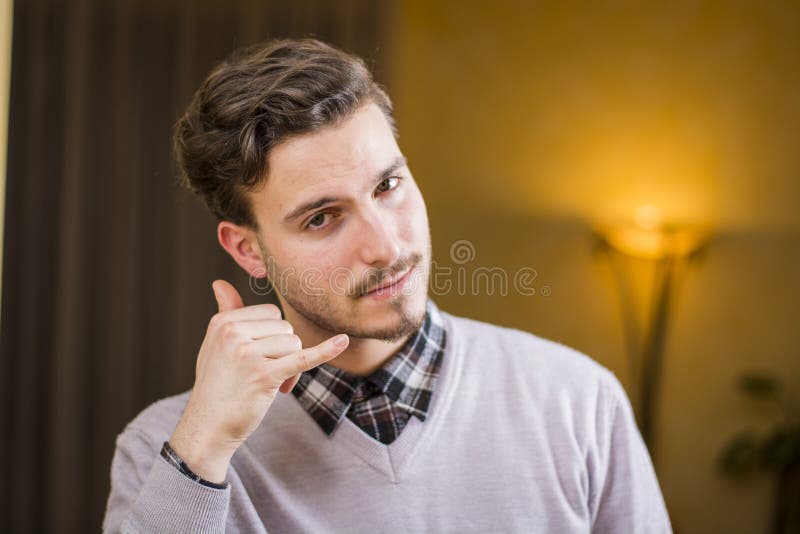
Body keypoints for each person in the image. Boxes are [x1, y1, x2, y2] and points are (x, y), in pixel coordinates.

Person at [103, 38, 672, 533]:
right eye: (321, 218)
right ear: (248, 249)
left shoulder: (580, 402)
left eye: (388, 185)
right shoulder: (164, 452)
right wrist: (203, 449)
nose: (386, 247)